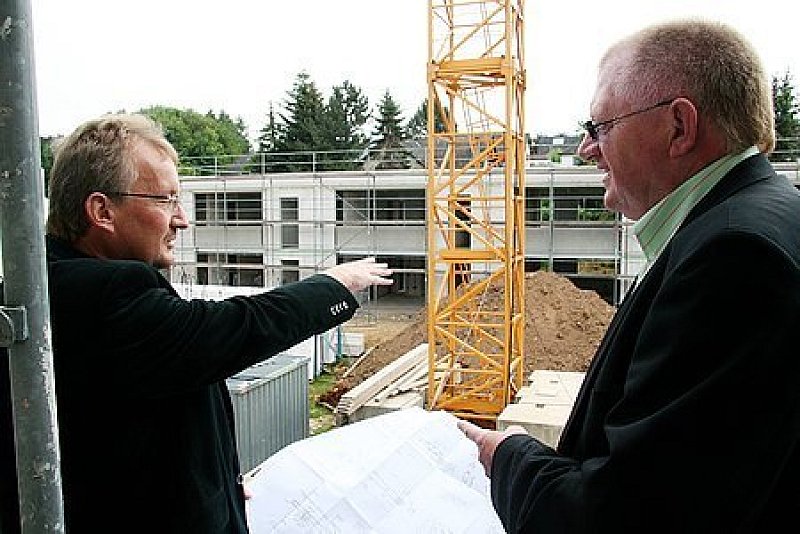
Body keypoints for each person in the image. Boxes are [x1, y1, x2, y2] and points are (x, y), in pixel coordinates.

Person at [459, 18, 800, 533]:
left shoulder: (733, 257)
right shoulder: (763, 217)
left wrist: (509, 457)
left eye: (599, 127)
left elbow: (631, 515)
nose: (585, 149)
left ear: (679, 128)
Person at [1, 112, 393, 533]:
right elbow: (226, 330)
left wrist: (207, 484)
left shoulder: (45, 284)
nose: (182, 219)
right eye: (165, 199)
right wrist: (333, 285)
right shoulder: (102, 289)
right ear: (102, 211)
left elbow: (112, 434)